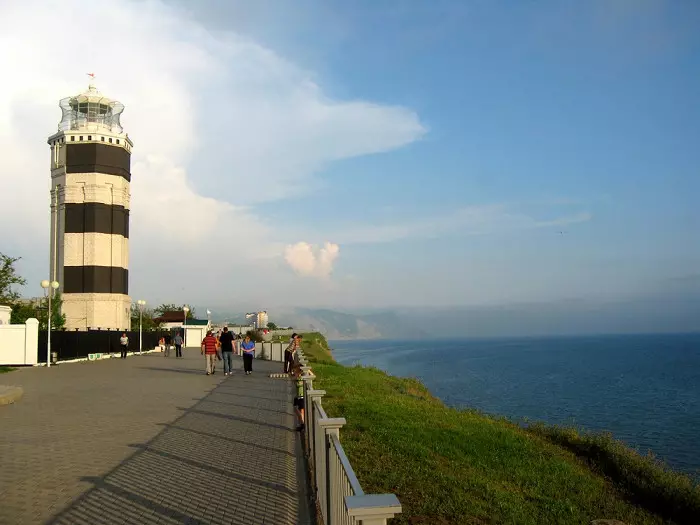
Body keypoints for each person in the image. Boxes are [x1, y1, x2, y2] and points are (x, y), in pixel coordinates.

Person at [292, 364, 306, 431]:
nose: (293, 372)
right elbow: (294, 379)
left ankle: (302, 425)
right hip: (297, 396)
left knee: (301, 411)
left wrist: (308, 370)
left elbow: (313, 376)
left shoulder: (302, 377)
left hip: (301, 396)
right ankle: (302, 424)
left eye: (294, 371)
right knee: (295, 409)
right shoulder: (297, 377)